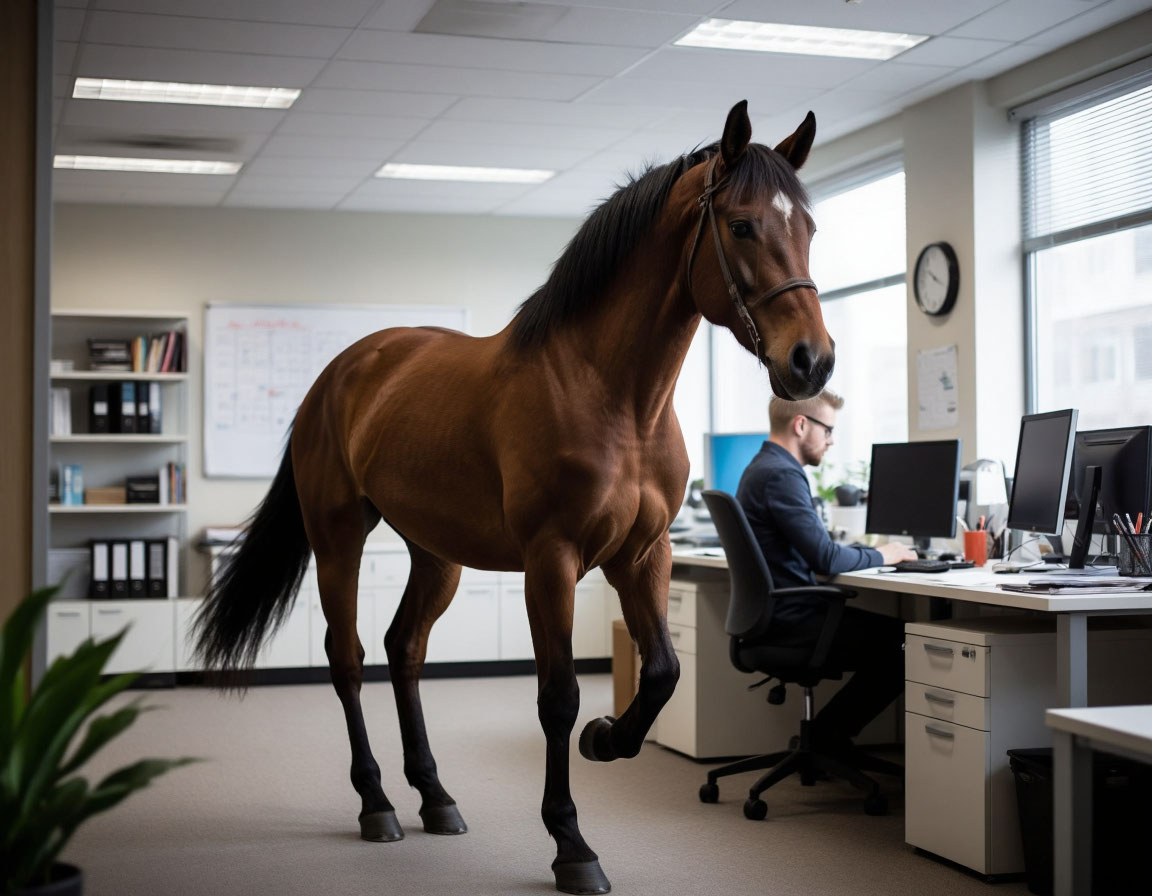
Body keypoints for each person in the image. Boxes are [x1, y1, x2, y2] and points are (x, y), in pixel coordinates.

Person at [735, 389, 917, 754]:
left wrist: (860, 553)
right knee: (908, 641)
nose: (831, 441)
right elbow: (826, 560)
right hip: (794, 620)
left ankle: (823, 739)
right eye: (828, 430)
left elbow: (816, 552)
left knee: (896, 635)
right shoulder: (781, 475)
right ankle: (825, 739)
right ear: (801, 425)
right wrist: (884, 554)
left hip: (772, 617)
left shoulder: (762, 467)